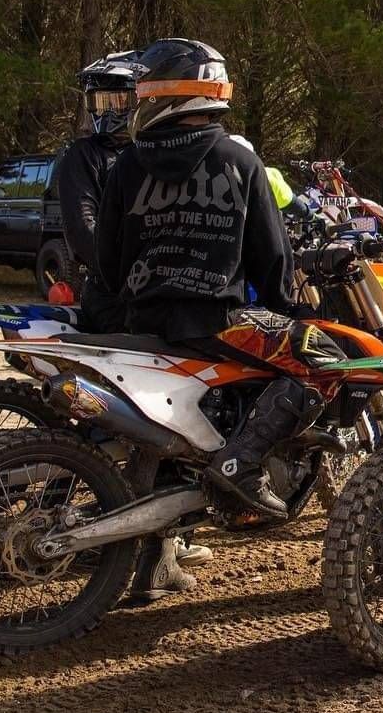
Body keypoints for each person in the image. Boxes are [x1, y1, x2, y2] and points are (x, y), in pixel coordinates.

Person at [96, 38, 326, 524]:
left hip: (143, 320)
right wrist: (288, 311)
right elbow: (272, 258)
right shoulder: (240, 161)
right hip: (216, 322)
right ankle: (240, 466)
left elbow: (109, 261)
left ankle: (155, 565)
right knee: (321, 359)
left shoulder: (126, 165)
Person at [58, 52, 143, 333]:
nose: (108, 111)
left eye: (118, 101)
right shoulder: (84, 154)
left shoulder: (151, 152)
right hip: (112, 291)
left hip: (159, 287)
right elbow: (82, 227)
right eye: (100, 102)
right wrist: (126, 269)